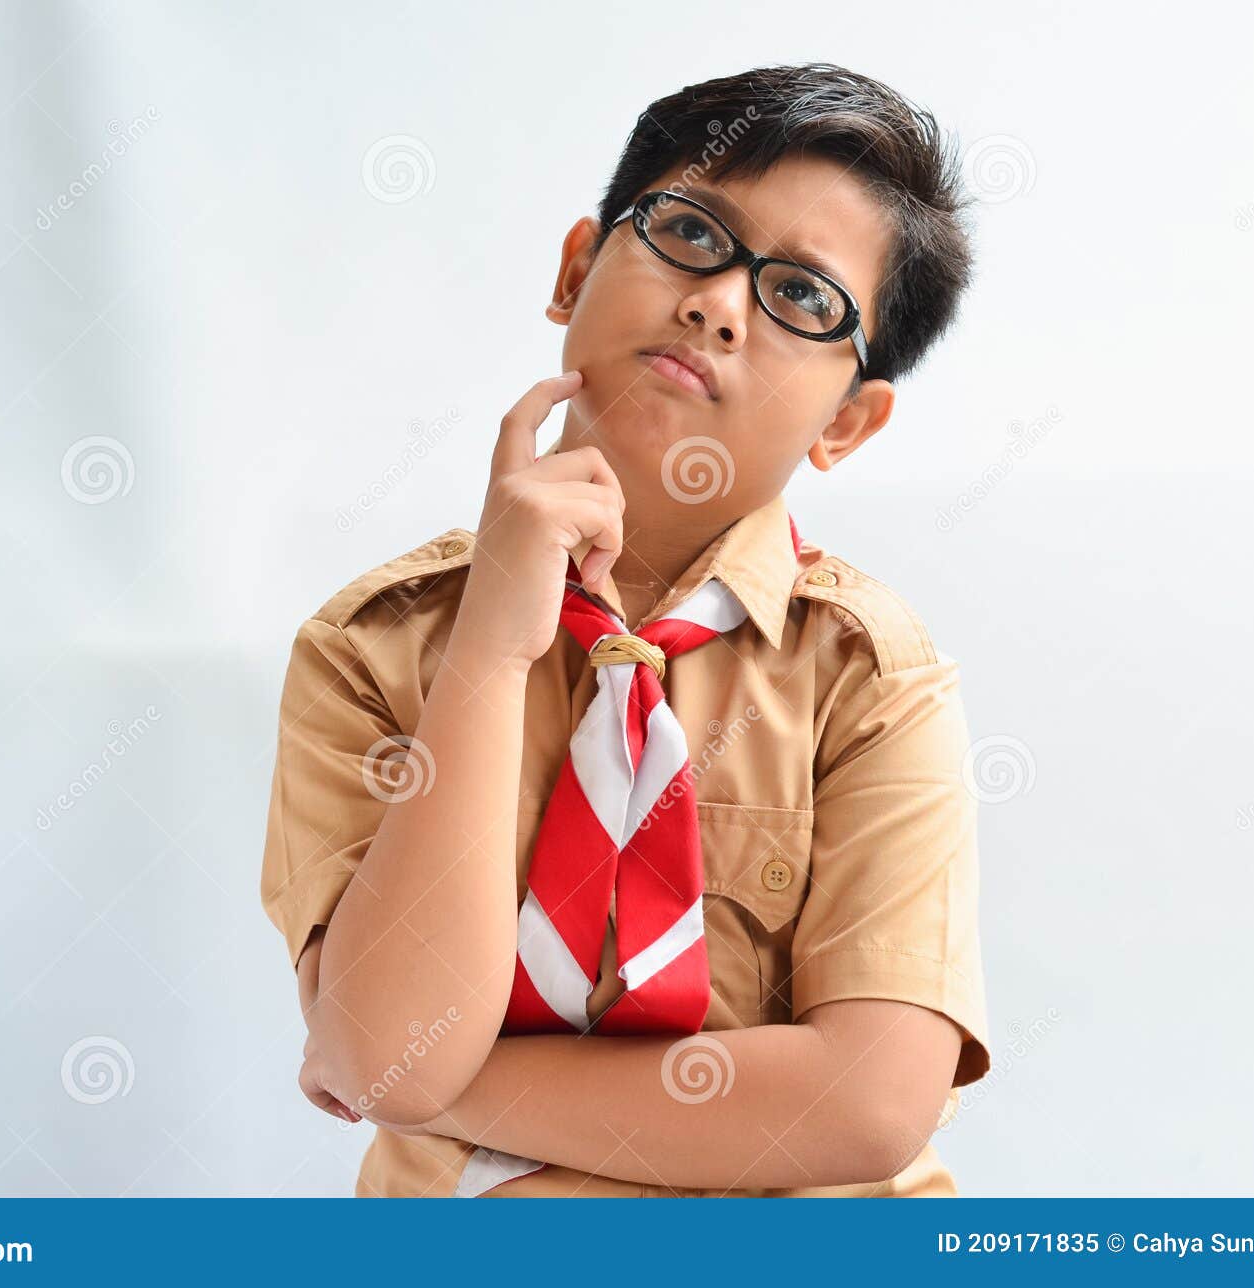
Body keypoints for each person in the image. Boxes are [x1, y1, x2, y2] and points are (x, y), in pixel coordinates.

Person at [261, 62, 991, 1197]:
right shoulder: (372, 648)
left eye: (802, 296)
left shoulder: (870, 674)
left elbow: (868, 1105)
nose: (718, 303)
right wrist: (494, 649)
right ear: (572, 269)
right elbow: (380, 1039)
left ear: (848, 421)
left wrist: (440, 1086)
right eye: (692, 231)